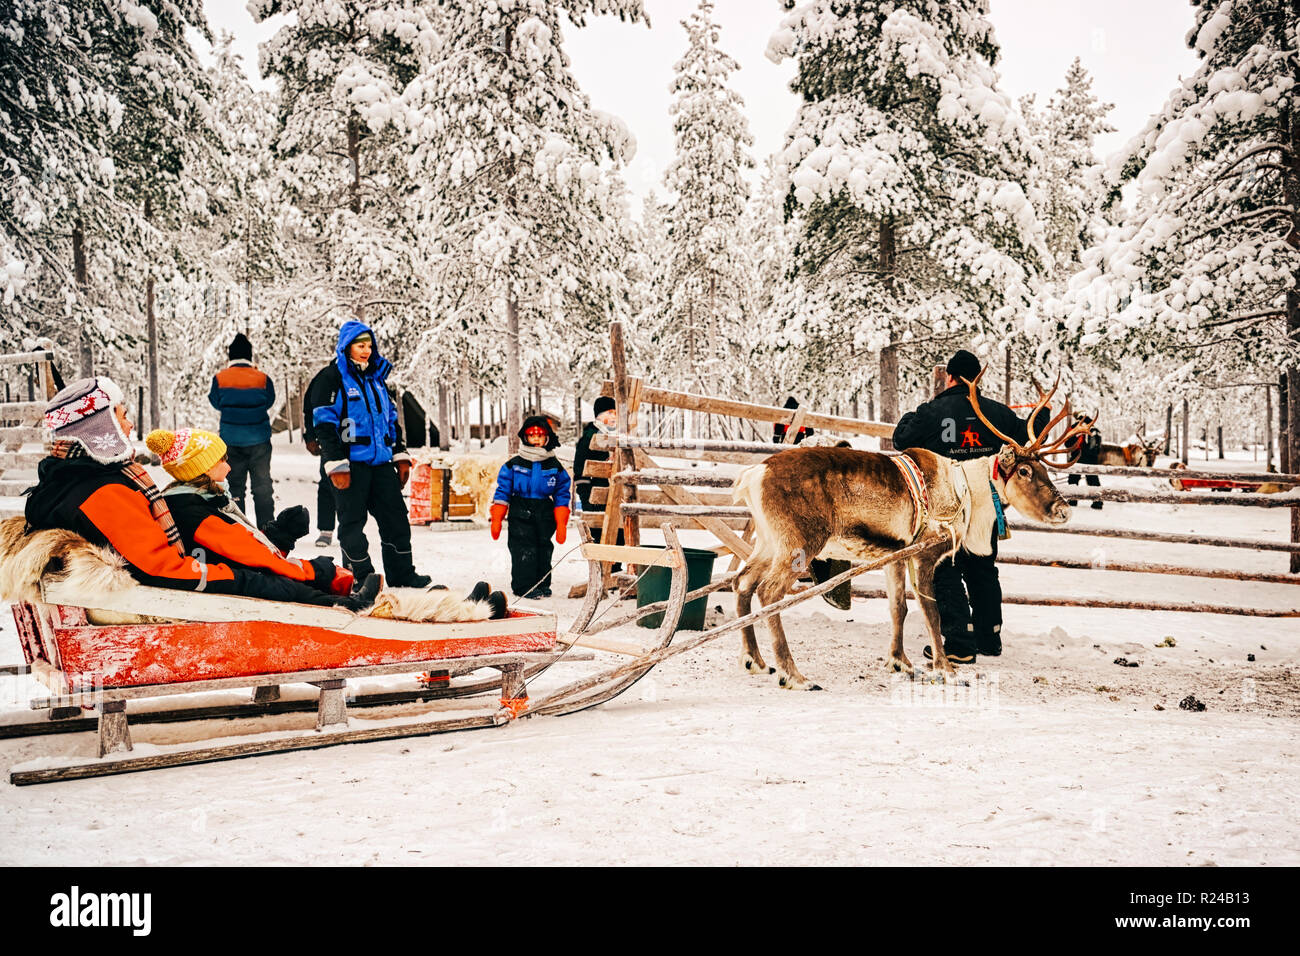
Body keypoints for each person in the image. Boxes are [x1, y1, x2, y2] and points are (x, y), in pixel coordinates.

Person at [23, 377, 362, 605]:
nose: (128, 425)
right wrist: (233, 575)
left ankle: (338, 597)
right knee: (255, 581)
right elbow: (164, 567)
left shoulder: (70, 482)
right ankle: (343, 608)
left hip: (151, 584)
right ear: (100, 429)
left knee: (256, 575)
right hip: (164, 594)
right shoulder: (103, 492)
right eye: (121, 416)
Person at [891, 349, 1049, 664]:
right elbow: (1032, 431)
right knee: (982, 570)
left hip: (946, 504)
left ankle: (960, 643)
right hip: (986, 503)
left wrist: (913, 414)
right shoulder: (998, 413)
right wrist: (1043, 412)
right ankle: (989, 638)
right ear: (978, 378)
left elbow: (901, 438)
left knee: (945, 569)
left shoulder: (933, 411)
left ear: (949, 376)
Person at [143, 427, 383, 610]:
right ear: (202, 468)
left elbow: (240, 547)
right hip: (219, 584)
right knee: (282, 586)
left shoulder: (200, 498)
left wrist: (281, 534)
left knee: (283, 579)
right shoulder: (192, 507)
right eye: (222, 460)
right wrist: (315, 570)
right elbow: (247, 553)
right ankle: (347, 608)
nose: (229, 467)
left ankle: (346, 595)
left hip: (225, 571)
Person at [313, 320, 431, 589]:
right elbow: (324, 425)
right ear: (346, 347)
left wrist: (399, 455)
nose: (365, 351)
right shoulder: (331, 379)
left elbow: (391, 420)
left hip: (380, 465)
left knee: (396, 520)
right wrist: (335, 465)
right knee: (352, 525)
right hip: (350, 466)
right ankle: (361, 577)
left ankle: (402, 574)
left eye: (369, 345)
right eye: (359, 345)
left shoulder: (377, 380)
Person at [490, 416, 572, 598]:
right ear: (525, 437)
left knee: (543, 548)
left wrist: (561, 521)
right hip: (521, 508)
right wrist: (497, 516)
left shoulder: (554, 465)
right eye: (531, 435)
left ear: (547, 438)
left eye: (540, 435)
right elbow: (503, 490)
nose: (536, 439)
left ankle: (542, 583)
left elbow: (562, 491)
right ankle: (524, 586)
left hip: (544, 510)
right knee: (523, 549)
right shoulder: (514, 464)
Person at [209, 333, 276, 528]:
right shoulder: (262, 378)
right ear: (249, 355)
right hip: (260, 441)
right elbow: (269, 401)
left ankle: (241, 528)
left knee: (235, 488)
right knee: (262, 486)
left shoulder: (220, 378)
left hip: (231, 441)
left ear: (230, 356)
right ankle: (268, 529)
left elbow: (215, 402)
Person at [302, 361, 338, 547]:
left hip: (358, 442)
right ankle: (326, 530)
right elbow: (309, 407)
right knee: (327, 483)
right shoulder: (326, 377)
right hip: (330, 438)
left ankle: (352, 530)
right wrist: (310, 435)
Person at [1065, 412, 1104, 509]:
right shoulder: (1094, 428)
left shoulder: (1076, 427)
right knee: (1093, 480)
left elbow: (1067, 443)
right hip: (1092, 458)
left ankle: (1072, 500)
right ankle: (1098, 501)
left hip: (1077, 456)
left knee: (1073, 479)